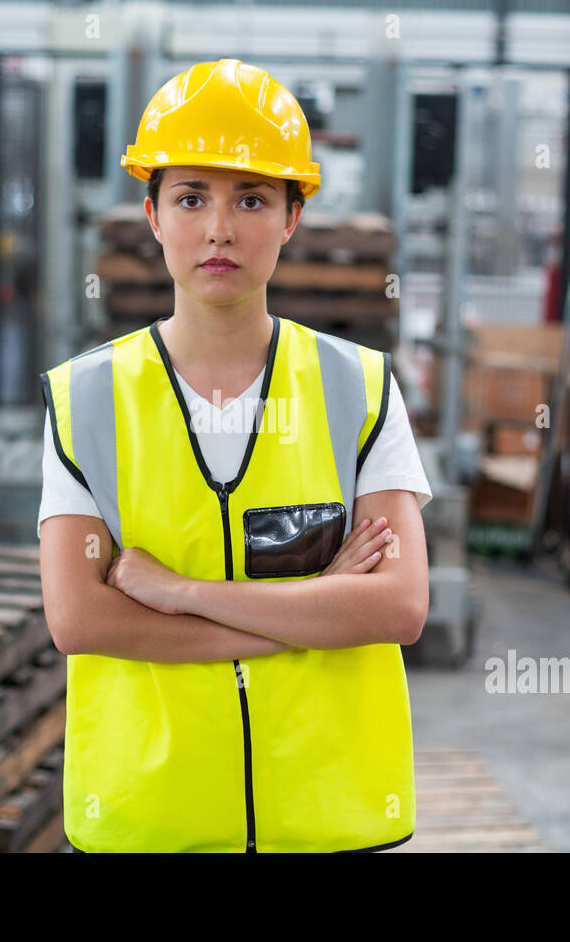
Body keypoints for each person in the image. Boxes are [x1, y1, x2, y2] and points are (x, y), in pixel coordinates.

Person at [37, 58, 432, 853]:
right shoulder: (88, 402)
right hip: (149, 823)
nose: (220, 229)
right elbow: (80, 620)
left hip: (331, 822)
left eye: (251, 199)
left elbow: (397, 608)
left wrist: (177, 593)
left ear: (291, 218)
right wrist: (315, 610)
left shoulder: (357, 389)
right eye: (191, 199)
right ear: (152, 215)